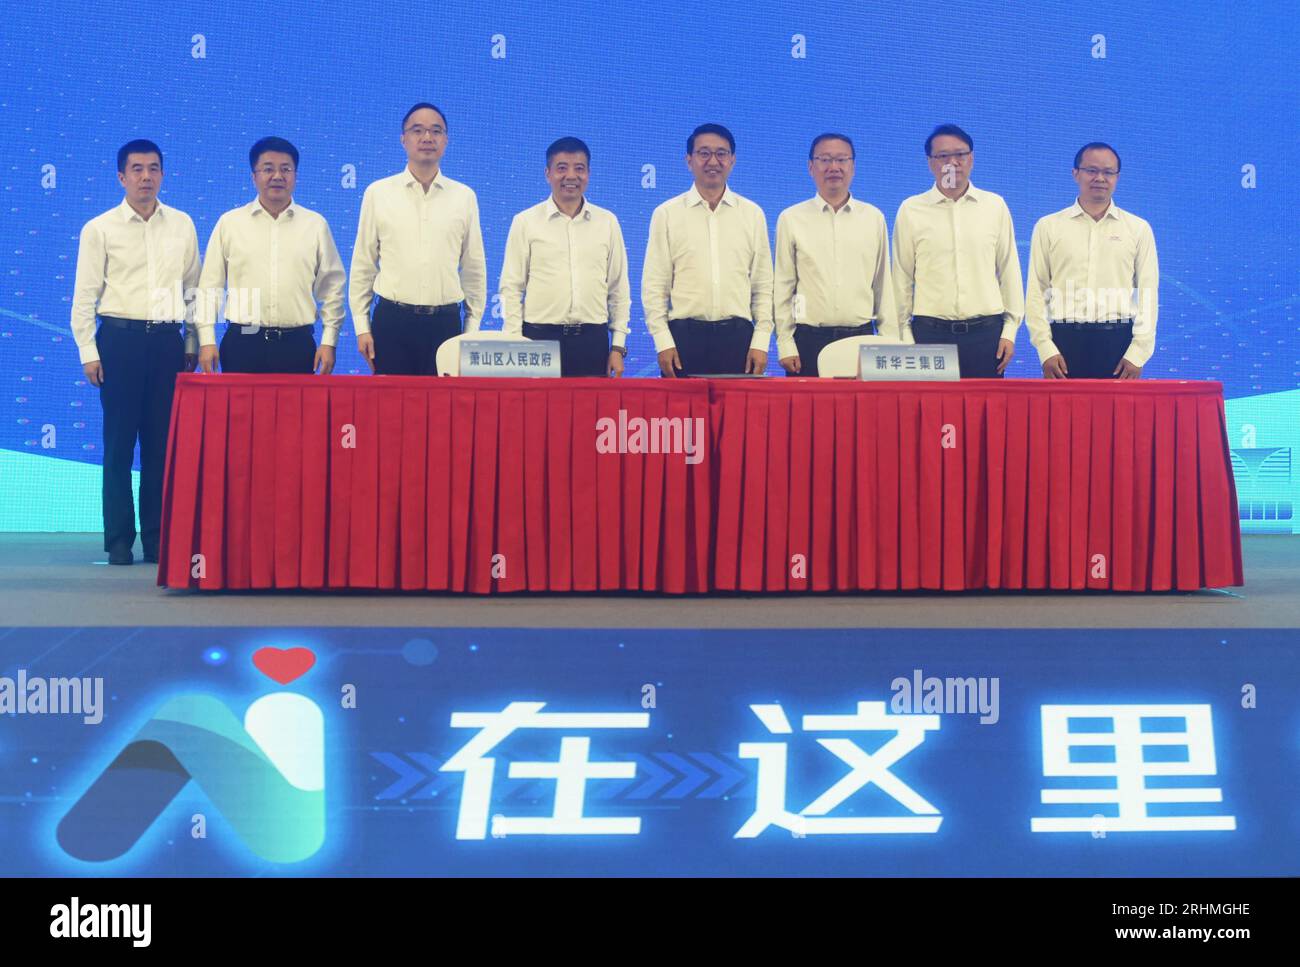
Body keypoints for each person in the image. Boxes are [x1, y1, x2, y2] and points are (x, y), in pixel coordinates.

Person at [70, 139, 199, 565]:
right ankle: (119, 541)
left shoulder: (182, 224)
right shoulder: (100, 228)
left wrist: (193, 342)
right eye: (137, 169)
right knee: (119, 446)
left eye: (154, 168)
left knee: (162, 446)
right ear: (121, 177)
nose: (146, 177)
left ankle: (159, 539)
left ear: (164, 174)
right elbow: (84, 297)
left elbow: (194, 291)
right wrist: (89, 351)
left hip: (167, 343)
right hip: (119, 343)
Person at [349, 102, 487, 375]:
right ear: (403, 139)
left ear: (445, 140)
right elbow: (363, 264)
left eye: (436, 131)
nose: (427, 138)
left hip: (445, 325)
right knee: (390, 412)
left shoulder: (464, 197)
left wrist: (470, 332)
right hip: (392, 323)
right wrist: (361, 326)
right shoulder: (378, 193)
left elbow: (474, 269)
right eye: (417, 130)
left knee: (442, 413)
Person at [196, 137, 344, 374]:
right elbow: (209, 287)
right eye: (268, 169)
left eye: (285, 169)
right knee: (240, 412)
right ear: (254, 176)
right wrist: (206, 339)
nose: (277, 176)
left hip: (297, 345)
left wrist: (329, 341)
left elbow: (332, 289)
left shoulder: (315, 225)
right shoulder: (230, 223)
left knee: (295, 412)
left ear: (295, 176)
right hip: (243, 342)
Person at [642, 123, 773, 377]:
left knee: (738, 417)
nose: (713, 161)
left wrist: (761, 341)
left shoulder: (752, 214)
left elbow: (763, 285)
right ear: (689, 160)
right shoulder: (667, 214)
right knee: (685, 418)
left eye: (721, 153)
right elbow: (654, 286)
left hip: (739, 340)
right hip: (683, 340)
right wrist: (663, 341)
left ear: (732, 160)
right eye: (704, 153)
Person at [893, 124, 1023, 378]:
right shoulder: (911, 210)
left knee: (984, 415)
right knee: (931, 414)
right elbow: (901, 278)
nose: (952, 162)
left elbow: (1009, 271)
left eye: (960, 154)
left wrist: (1010, 332)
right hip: (929, 336)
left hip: (986, 336)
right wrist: (905, 338)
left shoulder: (994, 206)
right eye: (943, 156)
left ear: (971, 158)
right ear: (930, 162)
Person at [499, 137, 631, 376]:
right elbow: (512, 288)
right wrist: (515, 344)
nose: (571, 176)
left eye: (579, 168)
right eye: (562, 168)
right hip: (538, 340)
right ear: (547, 173)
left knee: (591, 412)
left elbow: (618, 290)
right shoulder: (525, 221)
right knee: (537, 413)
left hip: (592, 341)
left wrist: (618, 346)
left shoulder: (607, 222)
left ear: (588, 174)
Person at [1025, 142, 1158, 379]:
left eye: (1108, 172)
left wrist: (1138, 353)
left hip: (1118, 345)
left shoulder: (1138, 229)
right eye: (1091, 170)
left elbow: (1148, 293)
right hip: (1063, 344)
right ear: (1075, 173)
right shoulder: (1049, 226)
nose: (1100, 178)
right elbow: (1037, 291)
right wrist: (1045, 349)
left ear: (1117, 177)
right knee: (1063, 417)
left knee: (1117, 417)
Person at [774, 132, 898, 377]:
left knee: (860, 415)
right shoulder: (791, 218)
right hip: (808, 341)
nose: (834, 167)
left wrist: (889, 341)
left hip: (861, 339)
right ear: (811, 166)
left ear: (853, 166)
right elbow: (784, 286)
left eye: (842, 160)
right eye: (825, 159)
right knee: (808, 415)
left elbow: (883, 284)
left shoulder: (873, 218)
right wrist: (785, 342)